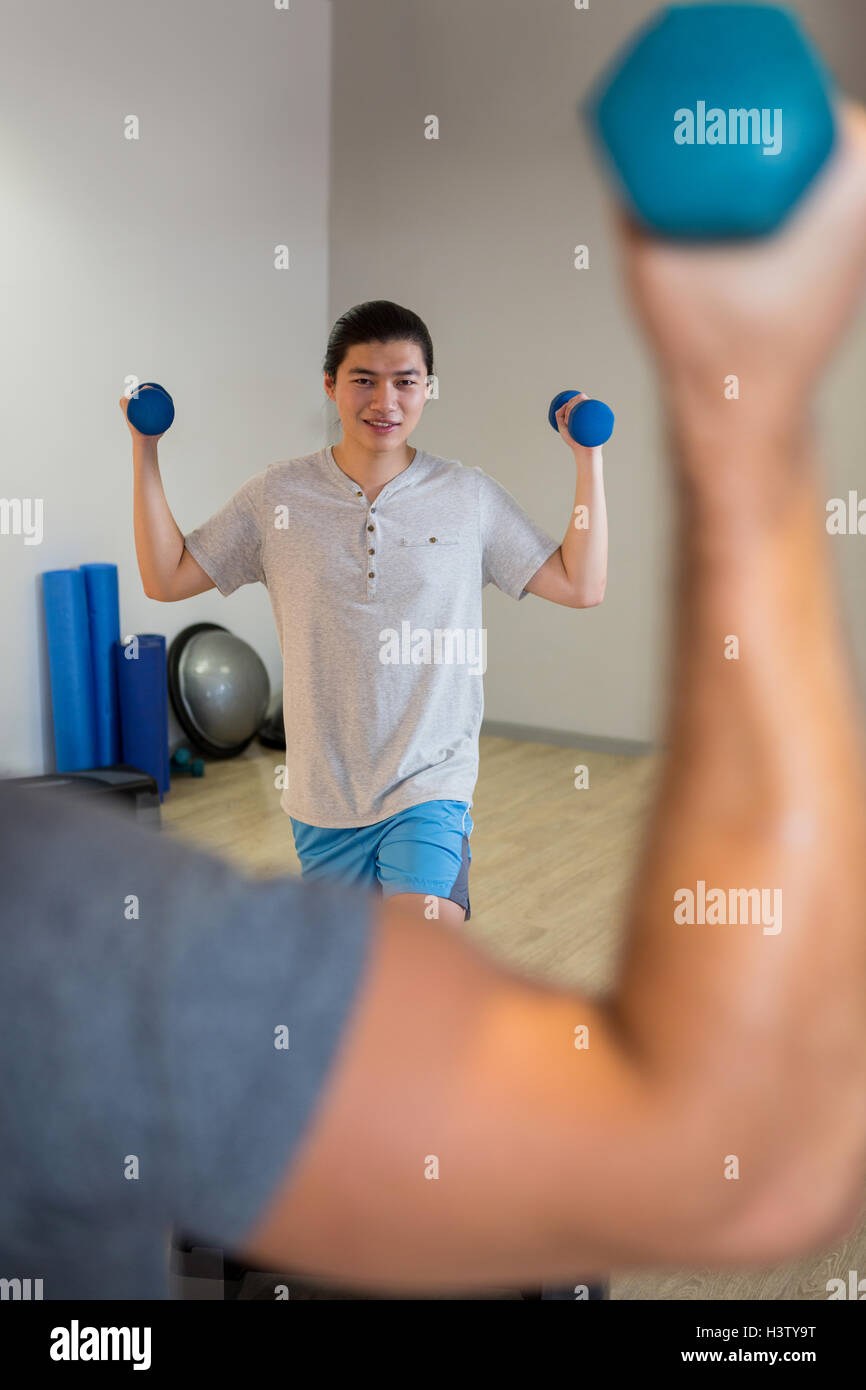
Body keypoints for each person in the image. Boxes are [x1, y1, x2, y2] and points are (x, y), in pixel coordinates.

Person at [3, 99, 866, 1302]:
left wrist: (590, 459)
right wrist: (143, 453)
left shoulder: (462, 499)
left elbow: (576, 582)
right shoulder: (279, 496)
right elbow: (166, 576)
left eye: (405, 381)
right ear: (331, 386)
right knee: (354, 1011)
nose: (385, 399)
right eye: (364, 380)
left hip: (430, 777)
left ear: (429, 390)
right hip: (320, 789)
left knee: (417, 967)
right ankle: (373, 1205)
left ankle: (441, 1208)